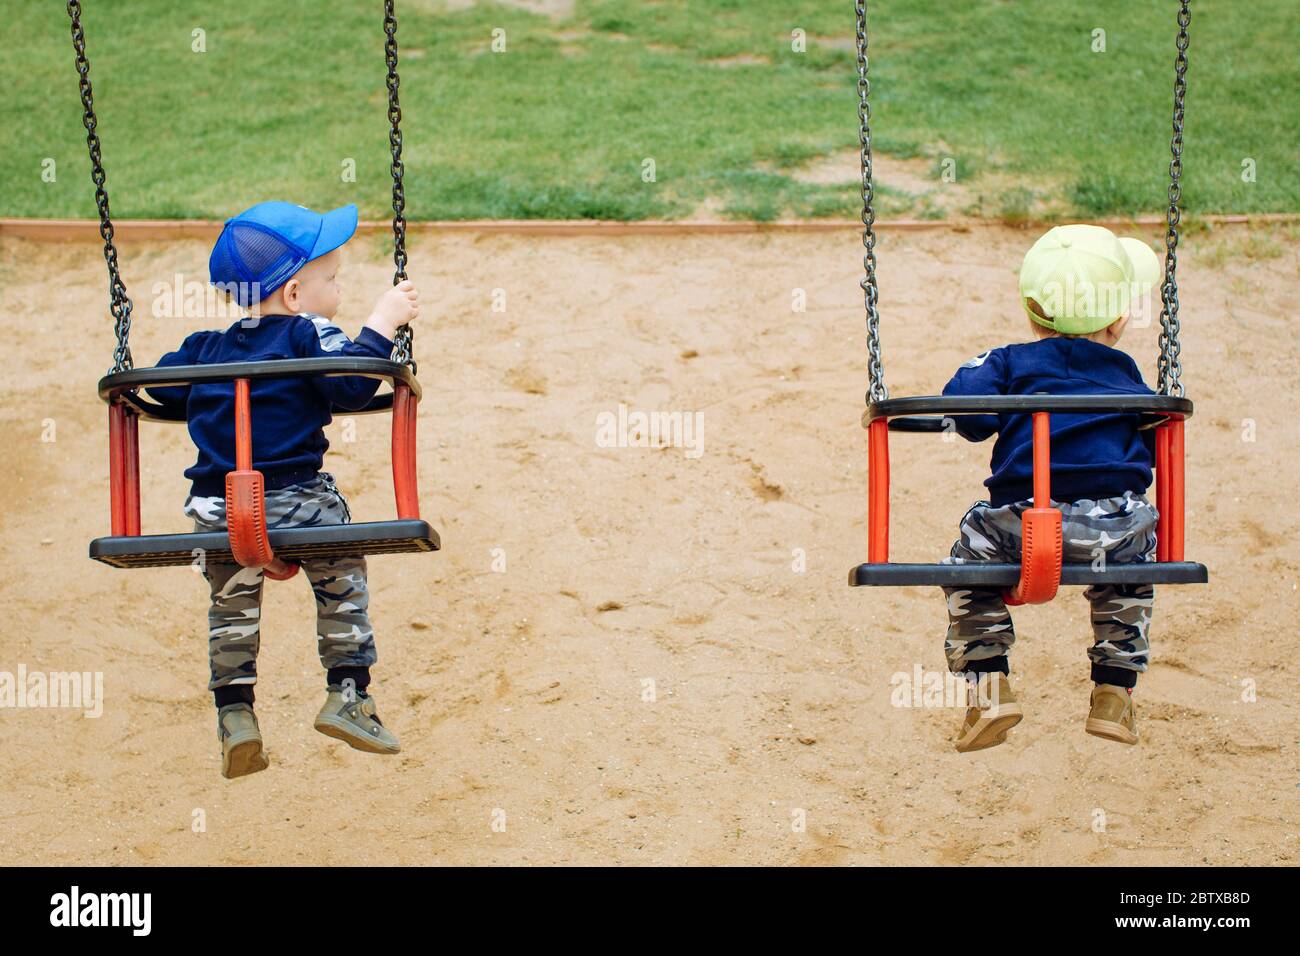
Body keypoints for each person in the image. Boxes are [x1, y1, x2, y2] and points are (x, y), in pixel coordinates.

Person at [148, 201, 419, 778]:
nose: (338, 289)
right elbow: (349, 386)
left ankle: (235, 715)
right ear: (295, 295)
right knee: (341, 572)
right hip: (297, 503)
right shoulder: (307, 332)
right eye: (332, 278)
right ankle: (348, 694)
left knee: (230, 606)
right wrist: (382, 324)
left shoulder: (205, 348)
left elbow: (160, 391)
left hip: (217, 512)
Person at [941, 223, 1161, 753]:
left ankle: (989, 685)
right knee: (1132, 572)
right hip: (1115, 529)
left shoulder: (1010, 361)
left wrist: (987, 370)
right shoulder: (1126, 372)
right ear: (1118, 317)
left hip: (1023, 526)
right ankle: (1114, 691)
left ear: (1032, 311)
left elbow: (962, 412)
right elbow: (1155, 426)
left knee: (968, 556)